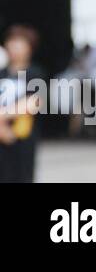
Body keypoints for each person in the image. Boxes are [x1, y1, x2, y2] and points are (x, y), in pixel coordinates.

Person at [0, 25, 45, 183]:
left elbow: (33, 103)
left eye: (20, 43)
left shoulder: (35, 74)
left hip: (22, 138)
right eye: (12, 42)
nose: (15, 48)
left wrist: (1, 118)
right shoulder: (2, 73)